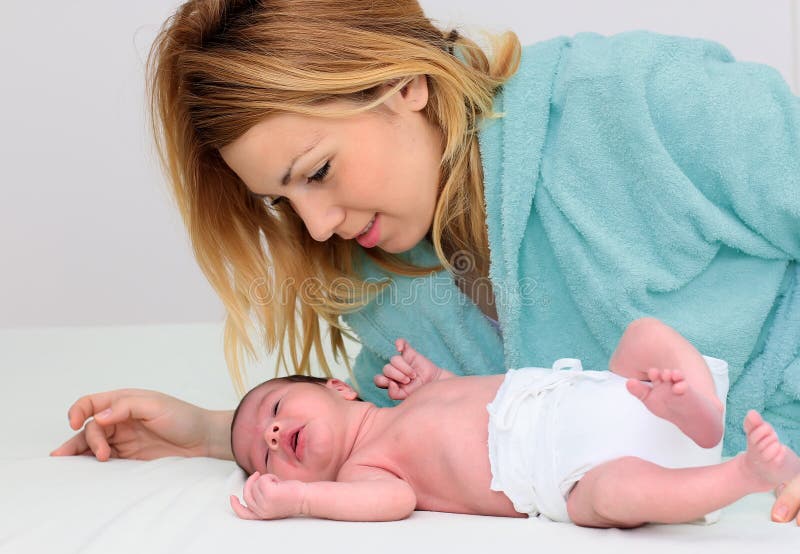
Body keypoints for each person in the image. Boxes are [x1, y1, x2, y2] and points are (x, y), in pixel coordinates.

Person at [52, 0, 800, 521]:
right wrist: (216, 434)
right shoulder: (380, 283)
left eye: (316, 172)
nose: (314, 226)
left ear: (407, 82)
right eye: (282, 201)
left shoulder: (634, 102)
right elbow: (382, 433)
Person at [224, 317, 798, 524]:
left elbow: (475, 400)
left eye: (274, 410)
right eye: (265, 456)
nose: (272, 435)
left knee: (642, 335)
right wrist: (298, 503)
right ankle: (741, 474)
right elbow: (390, 504)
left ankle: (701, 416)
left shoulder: (403, 408)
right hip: (567, 472)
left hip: (610, 395)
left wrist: (434, 381)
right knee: (613, 496)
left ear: (337, 389)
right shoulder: (365, 472)